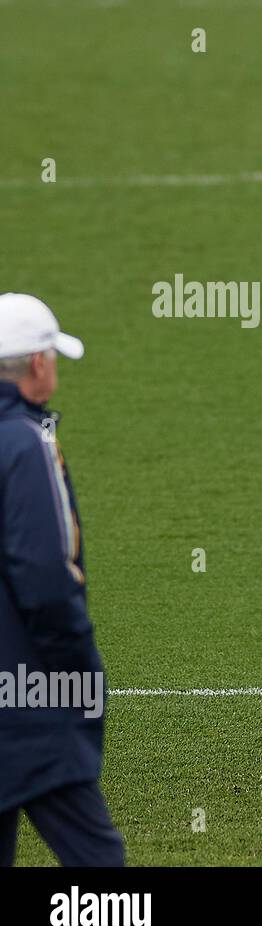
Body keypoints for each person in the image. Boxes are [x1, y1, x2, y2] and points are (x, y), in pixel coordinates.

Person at [0, 292, 124, 866]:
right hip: (28, 697)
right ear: (39, 364)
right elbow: (46, 576)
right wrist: (78, 667)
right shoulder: (27, 443)